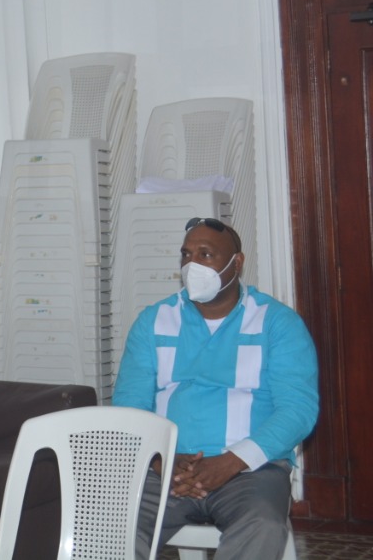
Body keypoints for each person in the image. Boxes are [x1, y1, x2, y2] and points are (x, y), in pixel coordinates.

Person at [116, 217, 319, 560]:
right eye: (186, 255)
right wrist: (157, 460)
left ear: (236, 263)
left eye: (206, 254)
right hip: (166, 471)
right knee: (106, 524)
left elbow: (298, 410)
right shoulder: (153, 321)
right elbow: (129, 407)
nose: (192, 264)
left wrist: (231, 462)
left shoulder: (277, 323)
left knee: (262, 526)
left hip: (251, 470)